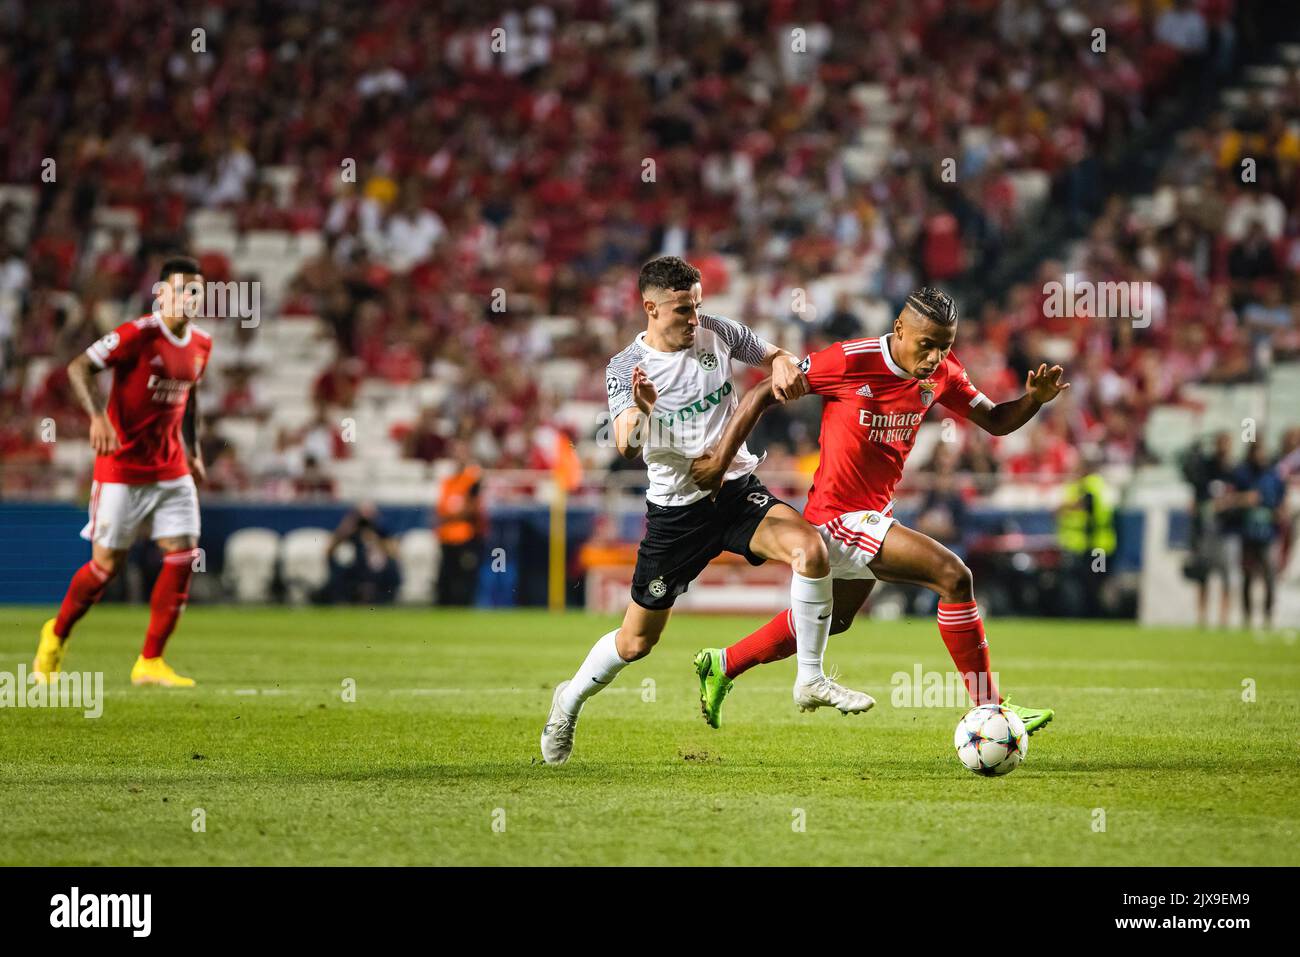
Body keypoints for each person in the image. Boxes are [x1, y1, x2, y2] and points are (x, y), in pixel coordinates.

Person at [540, 256, 871, 766]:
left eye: (696, 305)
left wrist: (783, 361)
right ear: (650, 307)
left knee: (811, 550)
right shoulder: (627, 367)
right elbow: (627, 445)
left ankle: (810, 678)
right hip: (677, 513)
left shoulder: (717, 332)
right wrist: (645, 410)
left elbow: (775, 354)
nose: (693, 317)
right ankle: (569, 701)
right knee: (635, 644)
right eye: (680, 309)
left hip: (737, 492)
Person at [689, 288, 1065, 733]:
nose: (935, 356)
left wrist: (1034, 401)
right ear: (899, 329)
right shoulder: (850, 360)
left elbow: (997, 421)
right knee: (953, 576)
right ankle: (992, 707)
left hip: (875, 514)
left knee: (833, 620)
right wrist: (719, 460)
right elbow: (760, 396)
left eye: (945, 345)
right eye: (927, 344)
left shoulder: (942, 372)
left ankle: (723, 663)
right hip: (836, 517)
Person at [33, 256, 213, 687]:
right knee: (104, 568)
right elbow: (79, 367)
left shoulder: (202, 343)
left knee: (184, 554)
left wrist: (194, 450)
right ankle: (55, 636)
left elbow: (190, 395)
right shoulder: (136, 335)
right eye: (180, 289)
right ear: (162, 294)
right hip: (123, 468)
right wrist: (98, 417)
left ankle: (150, 661)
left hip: (171, 468)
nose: (188, 297)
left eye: (195, 291)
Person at [1179, 432, 1238, 629]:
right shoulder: (1206, 467)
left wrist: (1228, 504)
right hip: (1206, 530)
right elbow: (1190, 475)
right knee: (1203, 573)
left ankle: (1224, 617)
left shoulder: (1235, 471)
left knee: (1227, 575)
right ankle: (1202, 616)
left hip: (1227, 530)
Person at [1232, 442, 1286, 630]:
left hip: (1268, 534)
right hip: (1247, 533)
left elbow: (1281, 502)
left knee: (1269, 576)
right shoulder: (1242, 474)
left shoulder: (1273, 476)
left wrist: (1279, 512)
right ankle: (1247, 617)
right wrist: (1245, 499)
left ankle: (1268, 616)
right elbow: (1230, 498)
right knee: (1247, 576)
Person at [1056, 457, 1117, 617]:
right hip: (1101, 546)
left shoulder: (1090, 485)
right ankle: (1096, 614)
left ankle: (1097, 614)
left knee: (1093, 583)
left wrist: (1064, 507)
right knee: (1095, 582)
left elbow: (1086, 504)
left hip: (1097, 546)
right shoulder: (1100, 485)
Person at [321, 502, 401, 604]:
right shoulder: (351, 532)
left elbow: (394, 553)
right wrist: (346, 527)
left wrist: (377, 541)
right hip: (355, 570)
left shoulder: (380, 532)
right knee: (338, 570)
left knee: (392, 569)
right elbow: (329, 550)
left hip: (377, 571)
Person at [435, 441, 484, 606]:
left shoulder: (472, 479)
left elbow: (472, 509)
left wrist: (450, 516)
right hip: (447, 536)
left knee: (464, 576)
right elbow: (440, 509)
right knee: (446, 577)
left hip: (465, 535)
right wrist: (451, 516)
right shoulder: (448, 481)